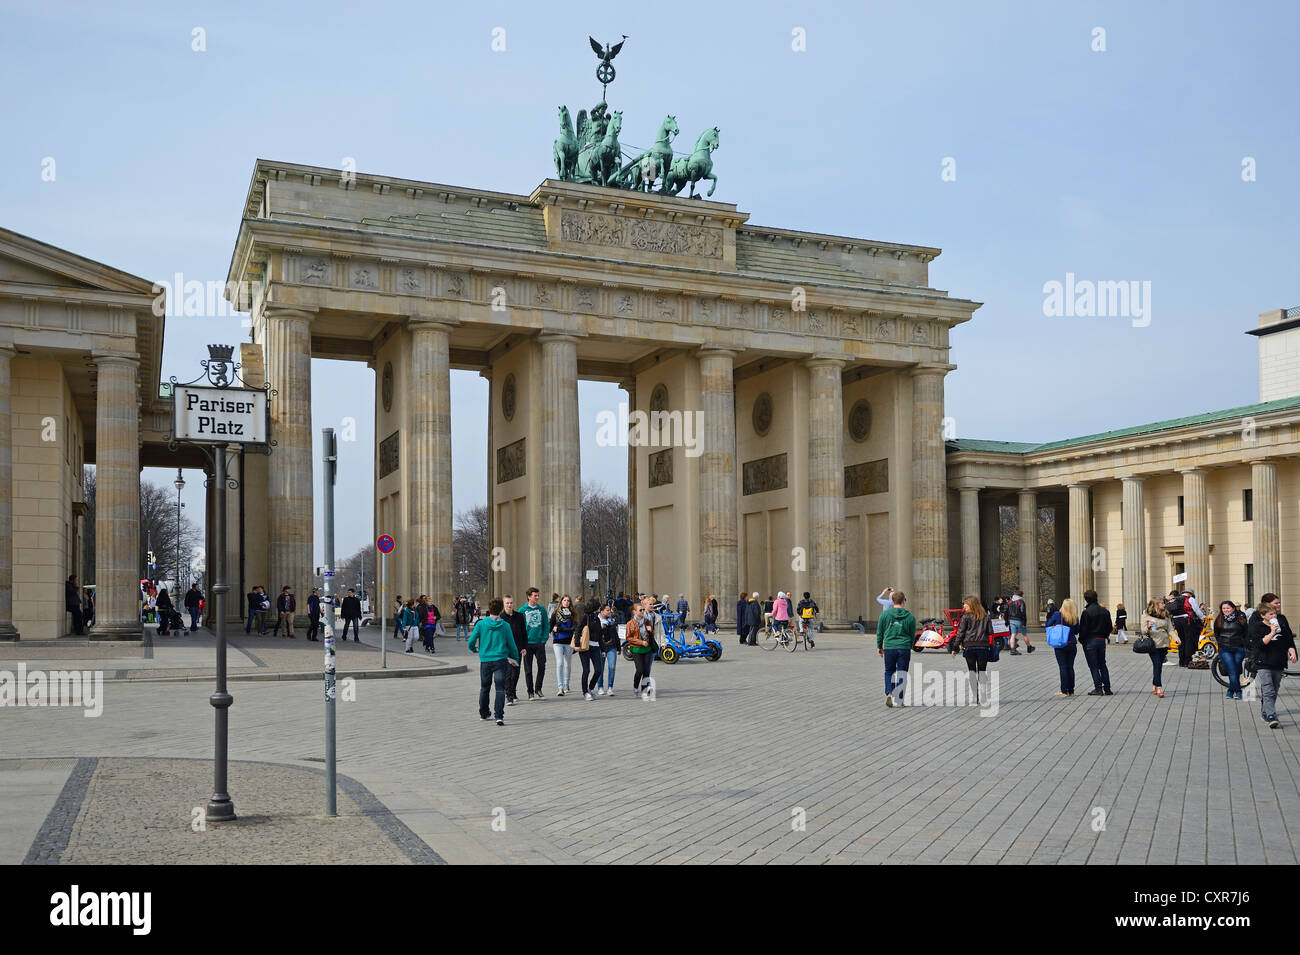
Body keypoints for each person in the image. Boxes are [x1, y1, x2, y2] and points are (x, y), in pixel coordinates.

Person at [468, 597, 520, 726]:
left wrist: (474, 649)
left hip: (485, 660)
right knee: (500, 689)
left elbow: (471, 641)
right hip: (500, 660)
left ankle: (484, 713)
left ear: (489, 609)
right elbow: (512, 644)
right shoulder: (505, 625)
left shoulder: (481, 624)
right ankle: (499, 716)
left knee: (485, 687)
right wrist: (515, 658)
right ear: (501, 609)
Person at [1247, 603, 1297, 728]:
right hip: (1263, 662)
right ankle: (1271, 715)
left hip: (1278, 662)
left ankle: (1265, 712)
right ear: (1263, 615)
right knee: (1268, 689)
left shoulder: (1282, 625)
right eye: (1271, 614)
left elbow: (1289, 641)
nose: (1274, 616)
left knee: (1274, 689)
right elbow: (1259, 644)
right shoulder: (1257, 627)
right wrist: (1272, 632)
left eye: (1275, 613)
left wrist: (1292, 651)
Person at [950, 595, 994, 704]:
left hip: (969, 647)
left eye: (965, 604)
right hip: (983, 647)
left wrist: (955, 648)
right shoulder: (986, 617)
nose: (964, 606)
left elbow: (960, 634)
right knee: (982, 672)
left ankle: (975, 697)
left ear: (971, 605)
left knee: (972, 672)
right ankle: (983, 696)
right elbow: (991, 632)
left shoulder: (965, 617)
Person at [877, 590, 915, 706]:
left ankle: (889, 692)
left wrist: (879, 646)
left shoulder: (884, 615)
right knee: (902, 673)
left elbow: (880, 632)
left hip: (889, 647)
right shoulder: (910, 617)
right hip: (904, 647)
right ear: (904, 601)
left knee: (889, 671)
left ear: (892, 601)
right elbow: (912, 634)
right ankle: (899, 699)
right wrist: (910, 646)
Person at [1078, 589, 1113, 696]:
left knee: (1093, 666)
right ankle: (1107, 688)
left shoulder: (1086, 612)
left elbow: (1083, 629)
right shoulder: (1105, 611)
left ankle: (1098, 688)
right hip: (1101, 640)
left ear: (1086, 599)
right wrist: (1105, 635)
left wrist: (1081, 640)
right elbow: (1109, 627)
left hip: (1090, 640)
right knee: (1102, 664)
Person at [1046, 598, 1080, 696]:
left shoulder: (1058, 615)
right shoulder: (1075, 617)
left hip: (1061, 644)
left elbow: (1048, 624)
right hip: (1072, 644)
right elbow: (1077, 631)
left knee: (1063, 667)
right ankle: (1071, 690)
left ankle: (1064, 690)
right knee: (1070, 667)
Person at [1141, 598, 1174, 699]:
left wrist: (1177, 639)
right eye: (1162, 603)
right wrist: (1148, 626)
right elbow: (1143, 631)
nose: (1164, 605)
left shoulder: (1166, 615)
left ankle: (1154, 684)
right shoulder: (1146, 616)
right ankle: (1159, 687)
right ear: (1156, 605)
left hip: (1164, 644)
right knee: (1157, 664)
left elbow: (1170, 629)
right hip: (1153, 645)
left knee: (1159, 665)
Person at [522, 587, 549, 700]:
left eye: (538, 595)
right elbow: (520, 627)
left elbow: (546, 626)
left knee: (542, 666)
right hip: (527, 644)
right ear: (529, 596)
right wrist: (522, 643)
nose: (537, 597)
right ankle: (530, 691)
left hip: (539, 643)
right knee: (528, 669)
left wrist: (544, 639)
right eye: (535, 595)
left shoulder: (542, 610)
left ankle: (538, 689)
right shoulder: (522, 610)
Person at [576, 599, 605, 701]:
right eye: (598, 606)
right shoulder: (585, 617)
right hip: (585, 647)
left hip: (596, 647)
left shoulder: (597, 619)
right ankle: (585, 692)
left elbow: (600, 635)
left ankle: (591, 688)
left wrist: (603, 649)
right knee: (586, 670)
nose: (599, 608)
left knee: (598, 670)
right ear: (594, 607)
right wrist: (577, 644)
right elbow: (578, 630)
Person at [501, 594, 528, 705]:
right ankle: (509, 695)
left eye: (511, 602)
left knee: (516, 672)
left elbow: (524, 632)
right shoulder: (501, 618)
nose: (509, 605)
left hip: (517, 649)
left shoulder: (519, 616)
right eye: (507, 603)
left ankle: (513, 691)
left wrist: (524, 647)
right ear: (504, 604)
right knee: (508, 673)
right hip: (506, 650)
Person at [626, 602, 657, 698]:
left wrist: (650, 631)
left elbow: (652, 634)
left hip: (647, 649)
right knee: (640, 670)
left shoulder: (647, 621)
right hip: (636, 649)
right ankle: (635, 687)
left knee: (646, 671)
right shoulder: (630, 623)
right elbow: (628, 638)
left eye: (643, 609)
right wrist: (640, 642)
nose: (643, 611)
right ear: (634, 611)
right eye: (641, 610)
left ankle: (644, 690)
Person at [1166, 589, 1204, 667]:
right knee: (1189, 640)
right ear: (1190, 594)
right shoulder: (1190, 599)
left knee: (1181, 640)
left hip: (1176, 620)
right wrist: (1202, 618)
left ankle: (1181, 661)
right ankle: (1188, 661)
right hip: (1187, 620)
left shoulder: (1175, 599)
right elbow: (1197, 610)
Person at [550, 594, 578, 696]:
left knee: (567, 664)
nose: (566, 602)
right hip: (557, 641)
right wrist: (550, 631)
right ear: (561, 601)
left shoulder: (573, 614)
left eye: (568, 601)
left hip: (568, 642)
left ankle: (567, 684)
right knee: (560, 663)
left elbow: (573, 629)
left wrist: (560, 629)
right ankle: (560, 687)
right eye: (564, 600)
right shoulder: (556, 613)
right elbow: (551, 625)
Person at [595, 602, 620, 696]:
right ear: (601, 611)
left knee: (612, 667)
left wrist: (618, 647)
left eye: (610, 610)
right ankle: (600, 687)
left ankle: (610, 687)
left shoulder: (612, 621)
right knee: (600, 668)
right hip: (600, 647)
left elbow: (615, 634)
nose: (610, 612)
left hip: (611, 646)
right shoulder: (596, 620)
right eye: (607, 610)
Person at [1006, 589, 1033, 655]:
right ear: (1021, 595)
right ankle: (1029, 647)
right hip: (1019, 620)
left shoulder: (1010, 602)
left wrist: (1006, 621)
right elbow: (1023, 612)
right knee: (1024, 634)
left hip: (1011, 620)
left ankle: (1012, 650)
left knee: (1013, 635)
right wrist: (1024, 623)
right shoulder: (1021, 601)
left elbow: (1006, 612)